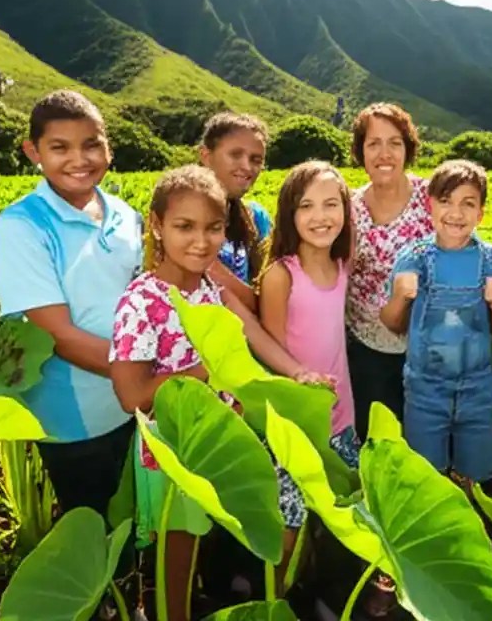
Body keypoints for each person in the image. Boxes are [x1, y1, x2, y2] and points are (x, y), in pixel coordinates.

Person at [109, 165, 328, 620]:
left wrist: (297, 374)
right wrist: (203, 369)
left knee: (205, 547)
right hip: (177, 449)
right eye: (184, 227)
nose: (200, 241)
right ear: (156, 225)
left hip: (219, 440)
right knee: (177, 550)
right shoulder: (144, 299)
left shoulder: (209, 288)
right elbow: (132, 396)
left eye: (212, 228)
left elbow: (254, 335)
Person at [0, 90, 142, 616]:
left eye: (91, 145)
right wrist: (143, 377)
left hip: (133, 405)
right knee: (87, 528)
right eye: (60, 147)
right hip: (72, 415)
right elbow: (57, 334)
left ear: (108, 148)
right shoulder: (21, 226)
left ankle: (127, 600)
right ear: (32, 151)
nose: (78, 159)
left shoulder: (125, 215)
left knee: (131, 523)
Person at [257, 160, 362, 588]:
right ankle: (279, 596)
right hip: (295, 425)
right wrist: (300, 380)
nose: (321, 217)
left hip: (341, 418)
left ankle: (320, 587)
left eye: (331, 204)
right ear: (289, 214)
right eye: (307, 206)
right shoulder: (282, 275)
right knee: (289, 521)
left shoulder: (341, 266)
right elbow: (272, 351)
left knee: (341, 510)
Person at [381, 159, 492, 488]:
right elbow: (393, 323)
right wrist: (401, 297)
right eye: (446, 201)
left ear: (481, 212)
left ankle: (473, 528)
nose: (456, 213)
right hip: (425, 390)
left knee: (474, 478)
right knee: (425, 479)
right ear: (430, 206)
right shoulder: (414, 257)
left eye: (468, 204)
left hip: (477, 390)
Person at [345, 103, 434, 440]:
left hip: (427, 347)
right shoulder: (348, 206)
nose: (385, 153)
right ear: (360, 152)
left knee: (425, 444)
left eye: (395, 142)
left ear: (407, 148)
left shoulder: (431, 197)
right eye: (373, 143)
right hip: (367, 350)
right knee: (379, 444)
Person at [198, 111, 273, 313]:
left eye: (256, 160)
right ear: (206, 156)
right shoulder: (178, 218)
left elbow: (270, 294)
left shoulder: (257, 219)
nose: (247, 167)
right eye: (235, 155)